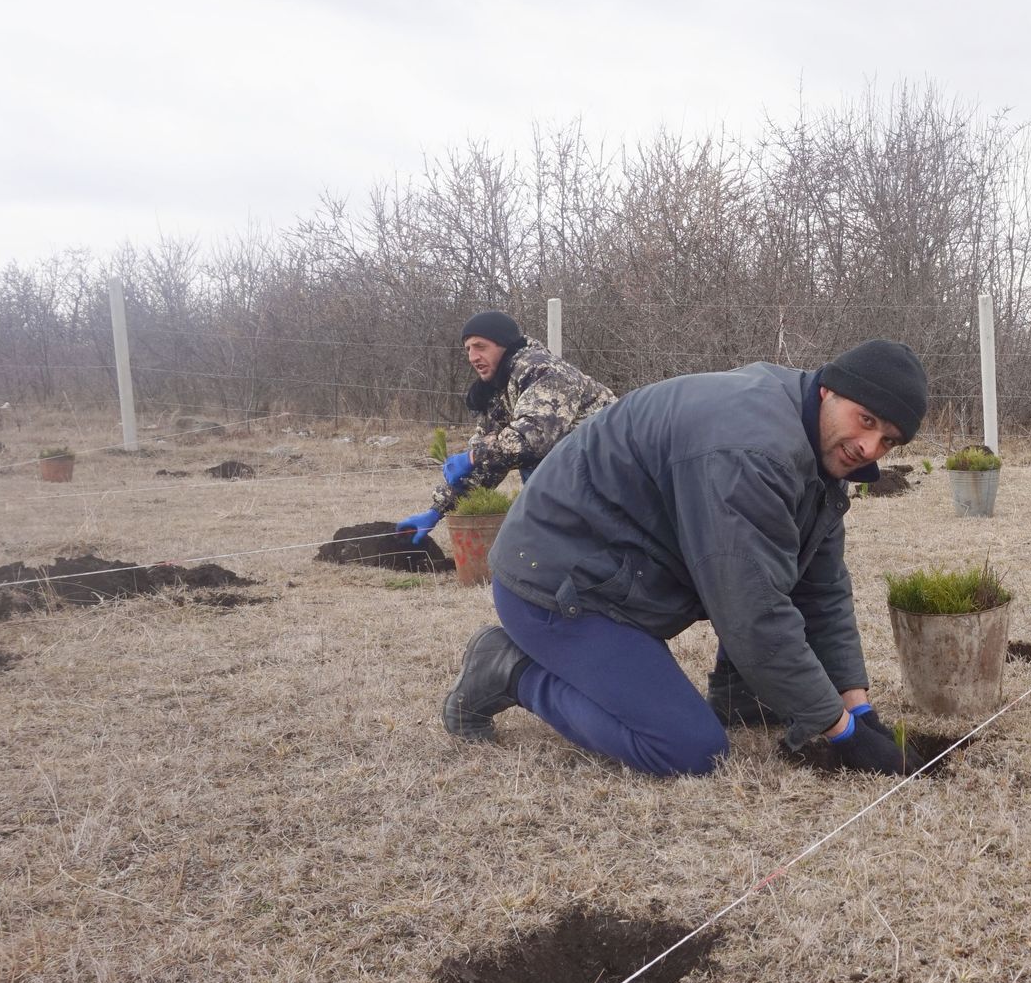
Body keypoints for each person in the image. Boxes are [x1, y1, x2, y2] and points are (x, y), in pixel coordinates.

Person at [437, 338, 929, 777]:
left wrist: (857, 708)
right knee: (688, 748)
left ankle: (740, 697)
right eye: (866, 421)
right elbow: (752, 614)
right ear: (829, 390)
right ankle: (509, 668)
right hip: (555, 585)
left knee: (769, 588)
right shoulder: (752, 452)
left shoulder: (812, 441)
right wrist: (840, 732)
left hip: (613, 574)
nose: (869, 448)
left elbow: (820, 588)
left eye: (888, 439)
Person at [395, 311, 617, 544]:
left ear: (504, 345)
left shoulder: (544, 370)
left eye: (480, 346)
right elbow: (487, 463)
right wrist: (435, 511)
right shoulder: (498, 391)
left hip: (611, 471)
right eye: (468, 349)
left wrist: (472, 457)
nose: (472, 356)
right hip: (575, 477)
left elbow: (532, 439)